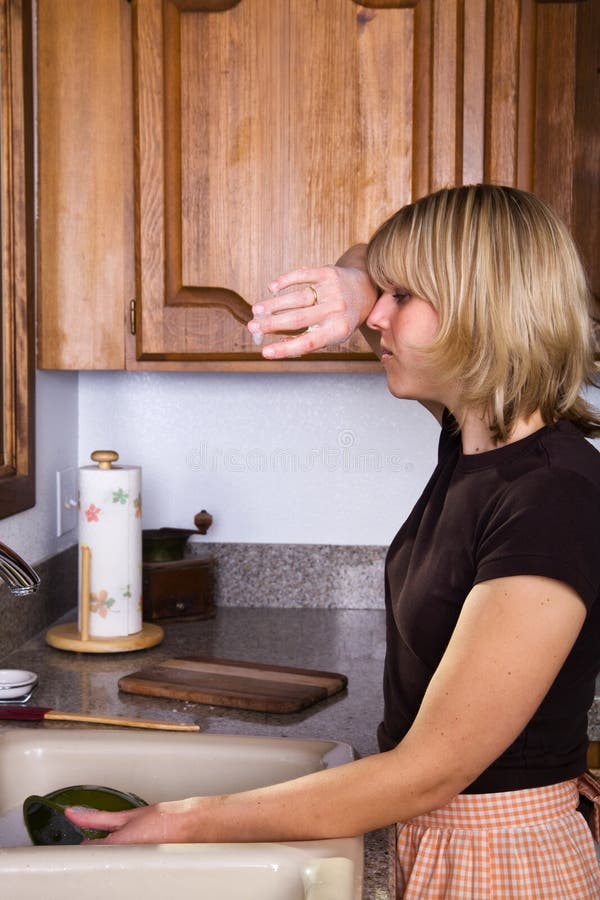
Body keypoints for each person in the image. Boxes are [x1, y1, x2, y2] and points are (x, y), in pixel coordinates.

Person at [67, 184, 600, 898]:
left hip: (498, 858)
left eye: (401, 296)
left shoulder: (551, 496)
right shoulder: (479, 440)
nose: (373, 316)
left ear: (482, 309)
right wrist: (355, 280)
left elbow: (431, 770)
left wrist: (189, 821)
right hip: (449, 835)